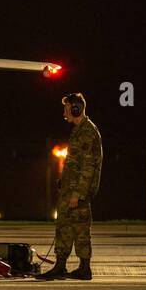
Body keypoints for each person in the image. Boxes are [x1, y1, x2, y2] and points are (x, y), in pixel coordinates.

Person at [38, 92, 102, 280]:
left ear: (76, 109)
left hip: (77, 192)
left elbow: (88, 167)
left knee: (81, 229)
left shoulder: (87, 132)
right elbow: (76, 163)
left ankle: (84, 268)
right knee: (64, 226)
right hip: (70, 189)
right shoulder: (78, 130)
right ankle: (61, 266)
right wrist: (64, 181)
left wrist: (78, 193)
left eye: (66, 109)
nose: (64, 113)